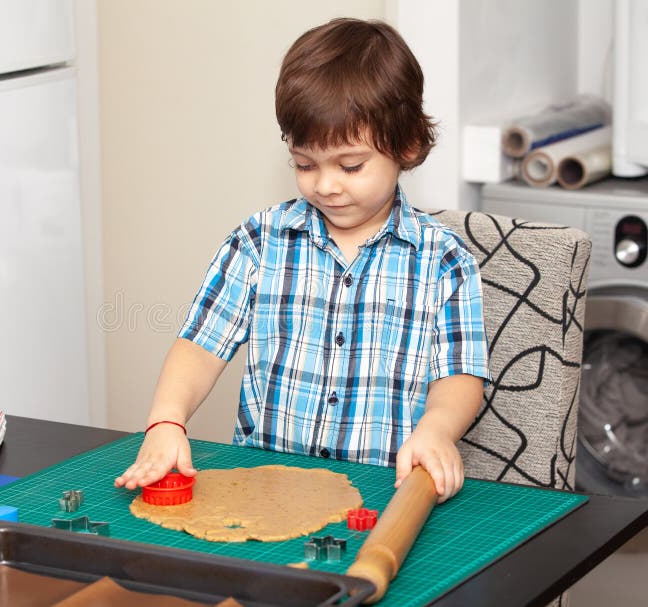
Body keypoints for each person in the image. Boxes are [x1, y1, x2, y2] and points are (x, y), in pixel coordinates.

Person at [115, 18, 489, 503]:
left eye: (350, 166)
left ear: (407, 146)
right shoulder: (259, 241)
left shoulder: (445, 262)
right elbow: (199, 347)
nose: (326, 185)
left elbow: (459, 375)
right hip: (263, 491)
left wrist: (437, 430)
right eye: (305, 164)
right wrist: (166, 421)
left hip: (381, 493)